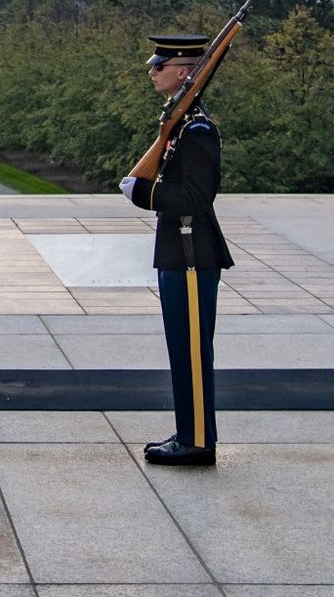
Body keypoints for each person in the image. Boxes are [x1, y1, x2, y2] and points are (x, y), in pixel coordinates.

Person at [119, 33, 232, 466]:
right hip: (178, 253)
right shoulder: (182, 124)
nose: (152, 71)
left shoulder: (198, 130)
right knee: (182, 351)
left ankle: (198, 441)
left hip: (191, 255)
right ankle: (190, 431)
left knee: (192, 352)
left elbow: (195, 199)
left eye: (159, 65)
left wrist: (144, 194)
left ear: (184, 72)